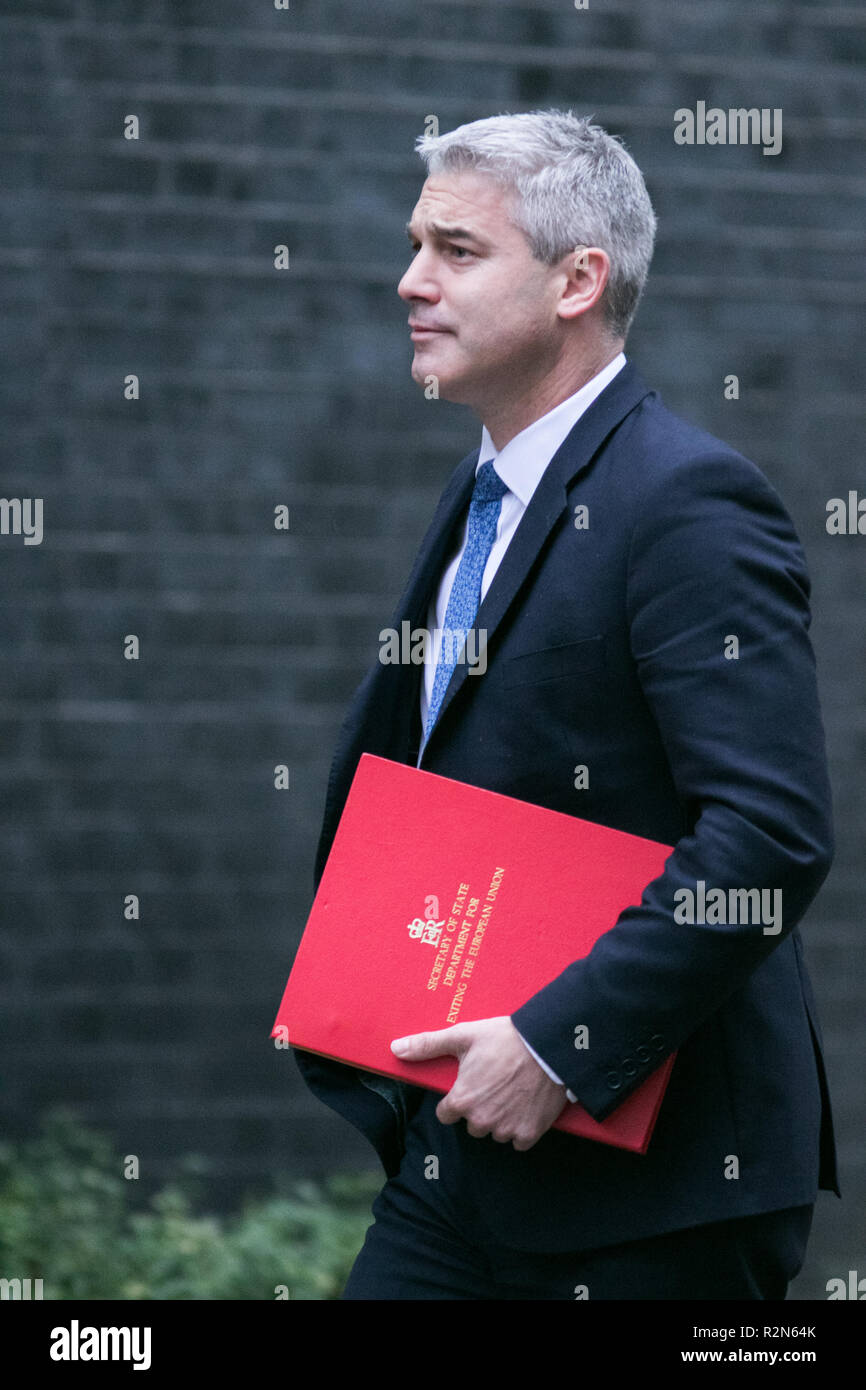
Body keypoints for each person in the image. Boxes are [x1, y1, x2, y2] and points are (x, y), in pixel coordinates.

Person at [292, 109, 839, 1300]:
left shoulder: (689, 502)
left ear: (575, 281)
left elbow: (767, 835)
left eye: (455, 250)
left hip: (659, 1195)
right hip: (459, 1167)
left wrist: (556, 1044)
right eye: (414, 245)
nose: (408, 281)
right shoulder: (481, 488)